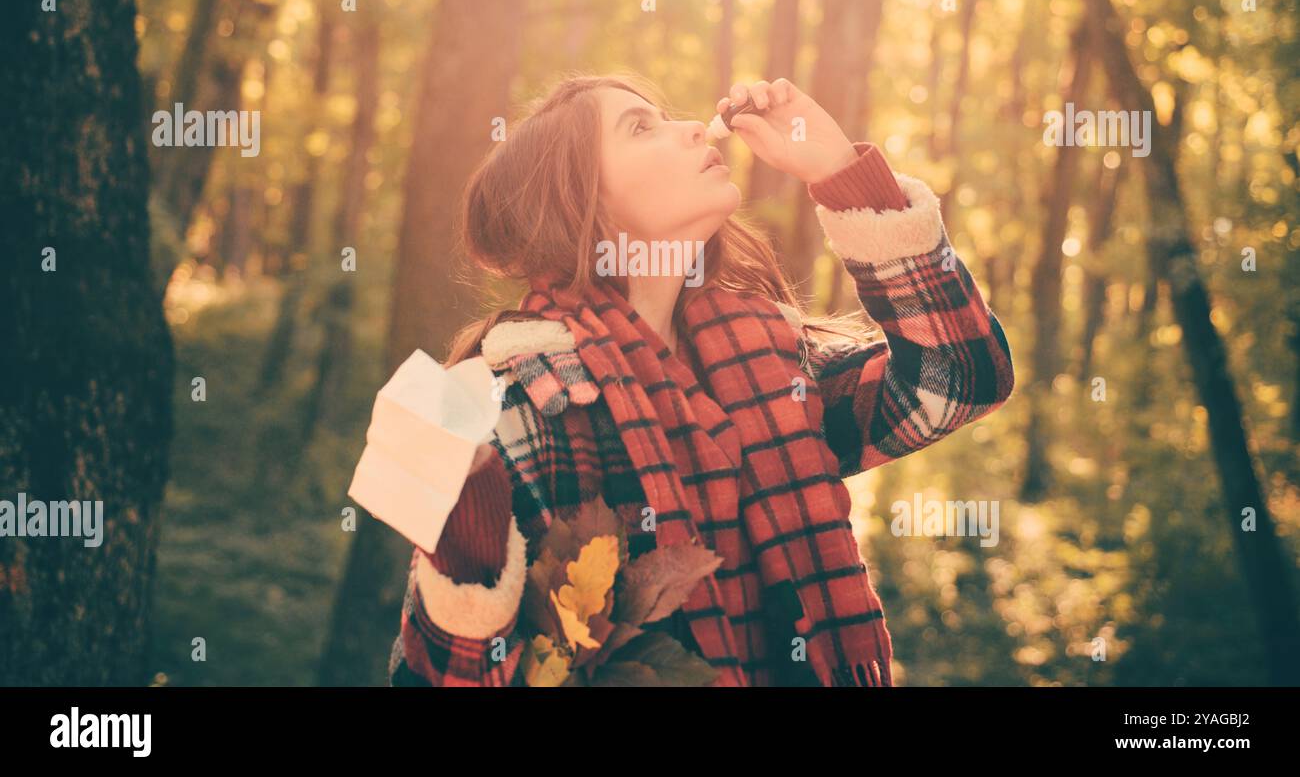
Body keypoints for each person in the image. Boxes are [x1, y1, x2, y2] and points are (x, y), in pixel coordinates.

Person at [387, 73, 1015, 687]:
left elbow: (958, 380)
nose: (694, 128)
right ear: (582, 203)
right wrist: (463, 536)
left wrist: (840, 175)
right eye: (641, 128)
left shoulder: (767, 360)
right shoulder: (521, 404)